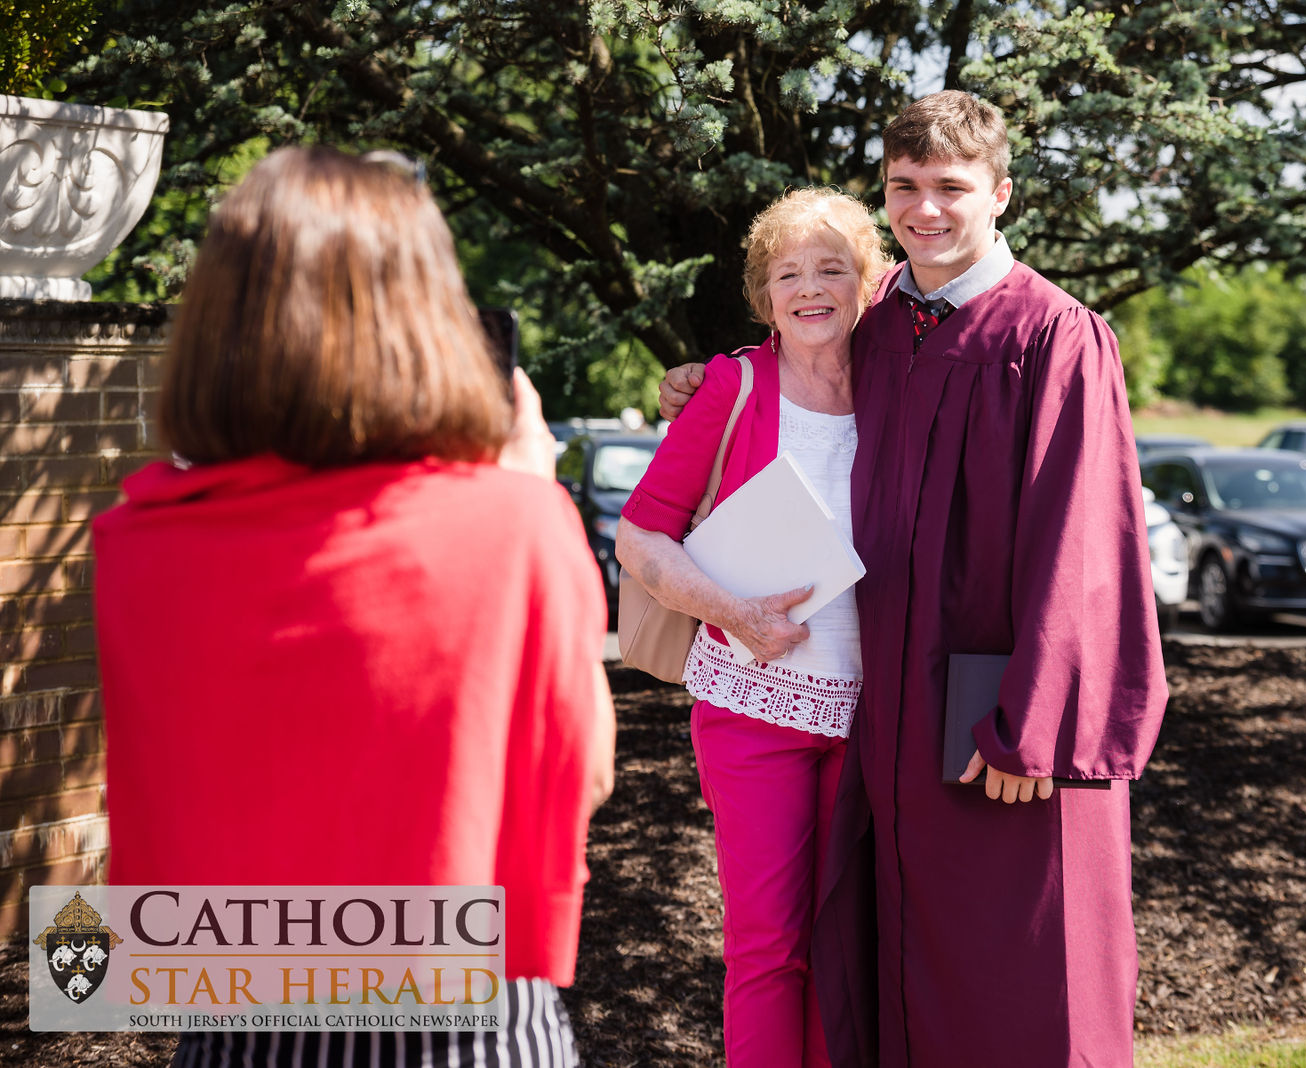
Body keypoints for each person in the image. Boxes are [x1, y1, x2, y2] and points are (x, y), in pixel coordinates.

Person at [658, 92, 1168, 1067]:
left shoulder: (1054, 336)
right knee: (900, 958)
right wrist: (700, 379)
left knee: (1024, 965)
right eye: (904, 186)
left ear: (1001, 194)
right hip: (889, 716)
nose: (924, 209)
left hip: (997, 720)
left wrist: (1035, 724)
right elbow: (787, 363)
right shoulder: (881, 321)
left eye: (951, 188)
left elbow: (1084, 548)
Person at [94, 145, 615, 1067]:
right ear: (425, 317)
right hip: (470, 1018)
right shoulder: (515, 523)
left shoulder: (136, 544)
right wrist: (529, 494)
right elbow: (585, 776)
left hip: (239, 1010)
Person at [615, 187, 891, 1068]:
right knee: (770, 944)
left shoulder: (899, 386)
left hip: (875, 717)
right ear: (764, 296)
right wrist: (733, 614)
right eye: (787, 274)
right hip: (754, 708)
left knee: (849, 949)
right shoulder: (731, 387)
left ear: (867, 283)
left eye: (831, 269)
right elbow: (640, 534)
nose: (809, 289)